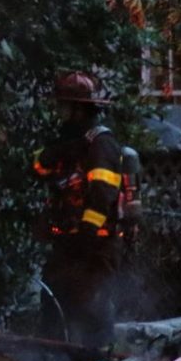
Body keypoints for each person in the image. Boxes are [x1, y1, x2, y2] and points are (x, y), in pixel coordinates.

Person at [32, 71, 130, 346]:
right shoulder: (70, 142)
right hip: (68, 245)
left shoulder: (102, 145)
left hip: (95, 248)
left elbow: (103, 196)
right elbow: (38, 167)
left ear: (78, 109)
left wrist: (85, 235)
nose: (59, 111)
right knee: (54, 308)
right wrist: (64, 150)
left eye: (63, 106)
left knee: (91, 313)